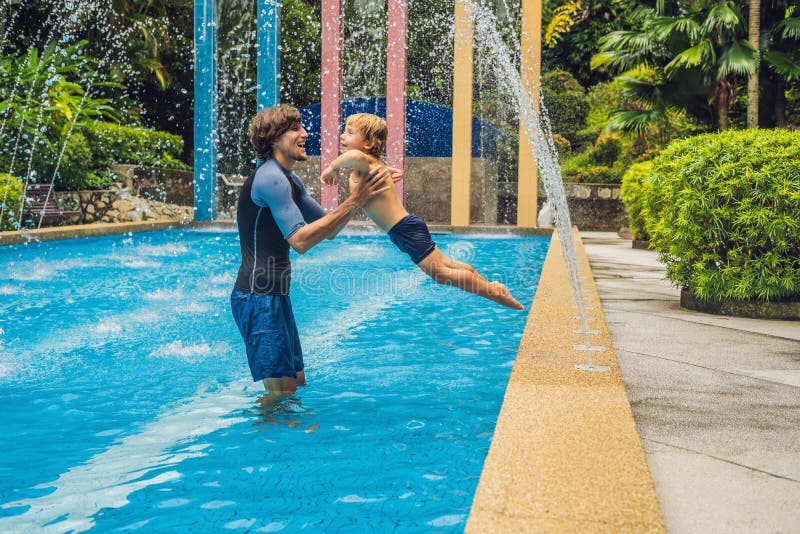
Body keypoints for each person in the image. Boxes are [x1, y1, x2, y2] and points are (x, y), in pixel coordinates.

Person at [231, 104, 396, 407]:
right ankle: (267, 443)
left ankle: (282, 440)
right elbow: (301, 241)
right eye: (295, 129)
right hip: (257, 297)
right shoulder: (270, 178)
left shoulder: (290, 180)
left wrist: (363, 194)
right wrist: (354, 201)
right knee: (280, 393)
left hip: (275, 295)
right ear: (273, 138)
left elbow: (327, 228)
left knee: (295, 383)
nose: (305, 134)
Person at [321, 113, 524, 310]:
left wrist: (332, 168)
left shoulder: (362, 160)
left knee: (440, 274)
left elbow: (354, 155)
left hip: (404, 228)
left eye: (349, 132)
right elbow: (379, 168)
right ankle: (488, 283)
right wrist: (391, 171)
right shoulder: (368, 166)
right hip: (403, 229)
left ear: (368, 144)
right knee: (446, 264)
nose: (342, 136)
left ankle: (493, 292)